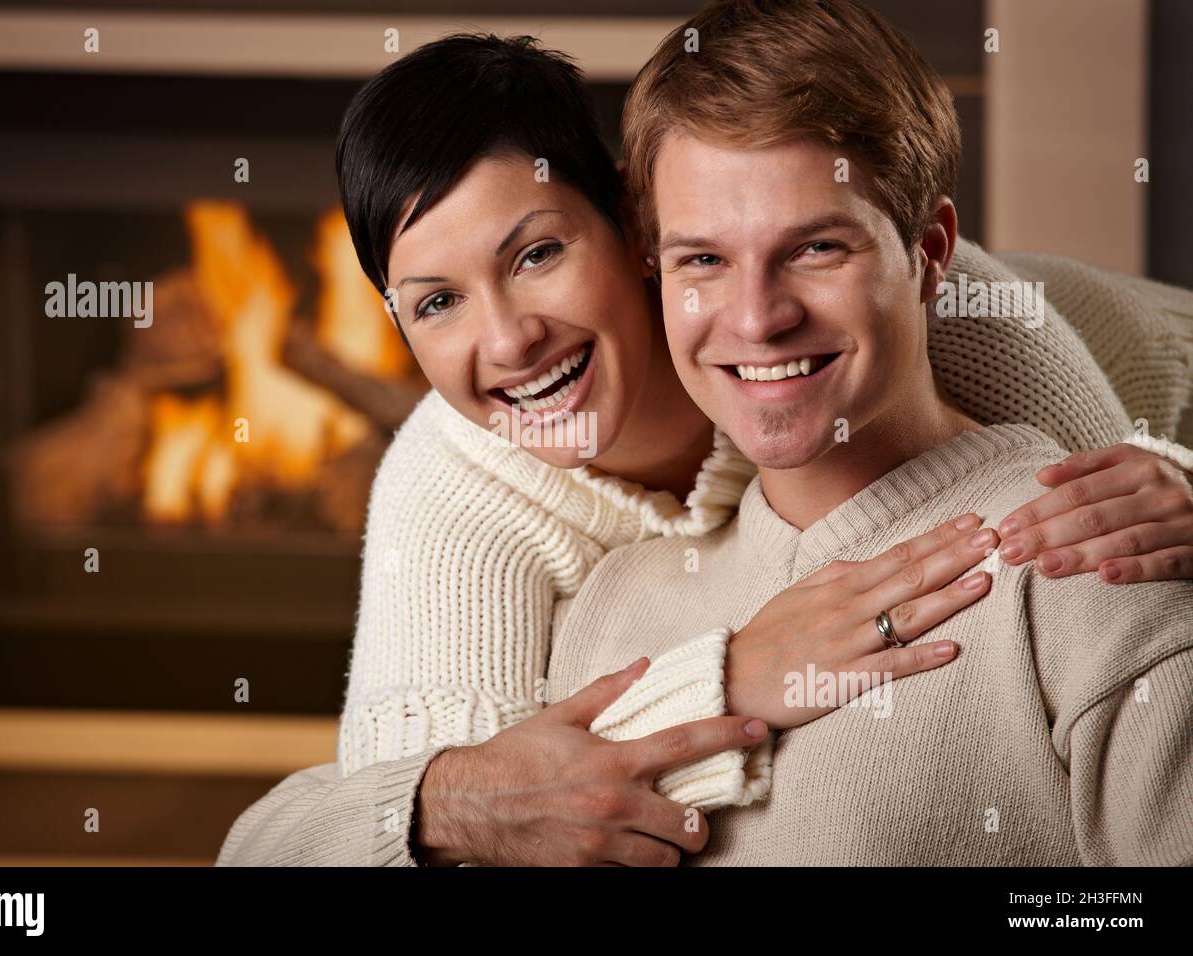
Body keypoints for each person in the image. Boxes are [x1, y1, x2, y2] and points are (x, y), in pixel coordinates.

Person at [218, 25, 1193, 866]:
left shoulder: (966, 316)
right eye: (435, 302)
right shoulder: (467, 498)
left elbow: (1094, 520)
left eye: (538, 253)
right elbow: (464, 816)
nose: (508, 339)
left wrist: (1176, 487)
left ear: (625, 235)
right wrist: (725, 678)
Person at [532, 0, 1193, 865]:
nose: (757, 318)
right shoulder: (609, 604)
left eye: (816, 249)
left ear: (930, 251)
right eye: (703, 259)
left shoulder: (1096, 551)